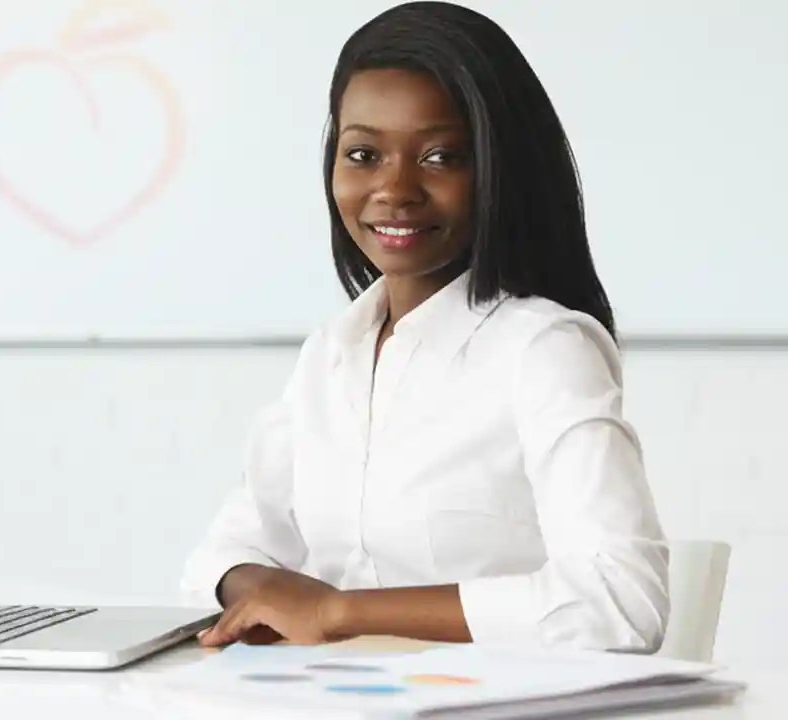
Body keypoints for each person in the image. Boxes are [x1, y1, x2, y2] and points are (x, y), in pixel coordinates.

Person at [181, 0, 669, 652]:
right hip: (337, 692)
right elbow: (223, 555)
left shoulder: (544, 350)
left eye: (441, 157)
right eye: (363, 154)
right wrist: (269, 593)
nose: (395, 189)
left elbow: (622, 601)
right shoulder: (332, 353)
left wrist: (338, 612)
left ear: (499, 169)